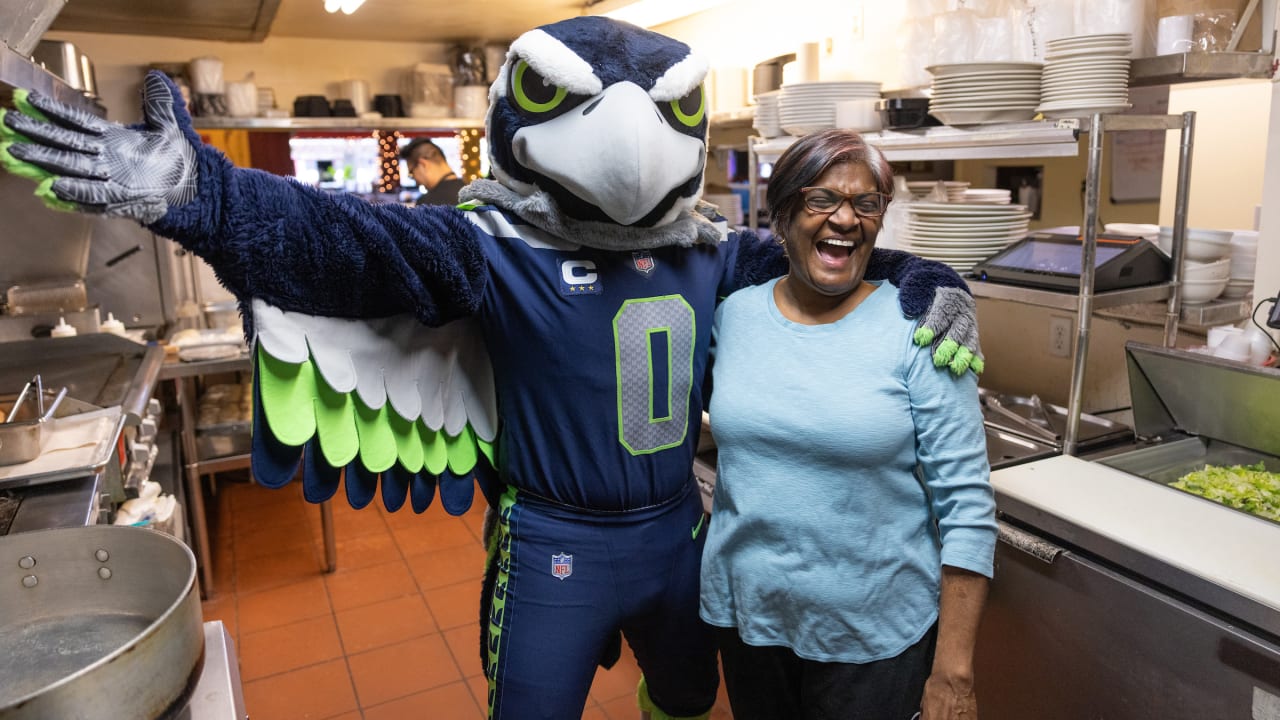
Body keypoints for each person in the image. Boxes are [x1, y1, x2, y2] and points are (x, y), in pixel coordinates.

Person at [0, 19, 984, 720]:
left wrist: (927, 277)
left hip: (679, 527)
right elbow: (348, 243)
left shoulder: (711, 249)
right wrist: (202, 193)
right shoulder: (492, 246)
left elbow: (840, 253)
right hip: (553, 534)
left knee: (688, 695)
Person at [700, 129, 997, 720]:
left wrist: (954, 669)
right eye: (820, 200)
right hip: (748, 621)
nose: (846, 219)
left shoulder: (920, 327)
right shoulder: (732, 316)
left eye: (867, 204)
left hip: (874, 638)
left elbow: (966, 505)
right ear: (782, 214)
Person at [401, 136, 466, 206]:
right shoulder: (475, 196)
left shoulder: (426, 205)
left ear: (423, 164)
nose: (416, 183)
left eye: (411, 174)